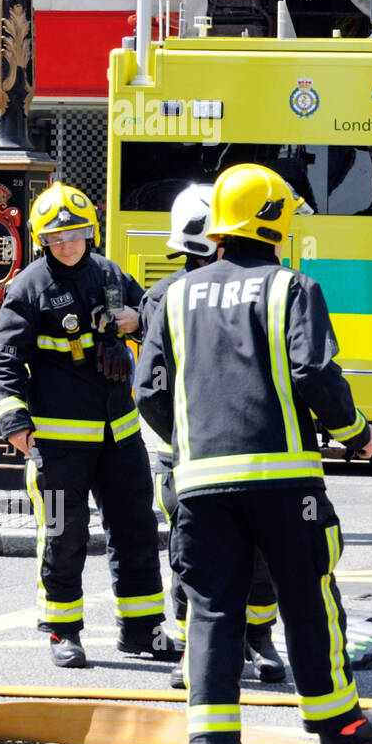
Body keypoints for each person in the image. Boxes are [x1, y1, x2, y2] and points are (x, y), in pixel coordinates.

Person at [136, 164, 372, 744]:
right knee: (307, 597)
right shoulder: (291, 288)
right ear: (275, 223)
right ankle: (340, 730)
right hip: (283, 483)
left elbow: (148, 390)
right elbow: (314, 376)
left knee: (211, 606)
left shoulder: (174, 295)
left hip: (201, 484)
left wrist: (192, 442)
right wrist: (359, 434)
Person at [0, 182, 180, 669]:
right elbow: (5, 364)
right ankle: (61, 631)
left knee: (137, 530)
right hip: (56, 447)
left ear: (90, 234)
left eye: (76, 234)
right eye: (57, 238)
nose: (68, 244)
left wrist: (133, 322)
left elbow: (152, 314)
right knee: (61, 533)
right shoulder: (27, 288)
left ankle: (141, 630)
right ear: (42, 242)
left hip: (119, 437)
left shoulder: (110, 272)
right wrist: (15, 424)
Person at [139, 185, 285, 689]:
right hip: (184, 458)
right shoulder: (165, 297)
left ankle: (259, 640)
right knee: (191, 557)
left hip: (237, 453)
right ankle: (192, 651)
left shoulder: (250, 287)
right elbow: (151, 388)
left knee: (260, 559)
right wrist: (185, 437)